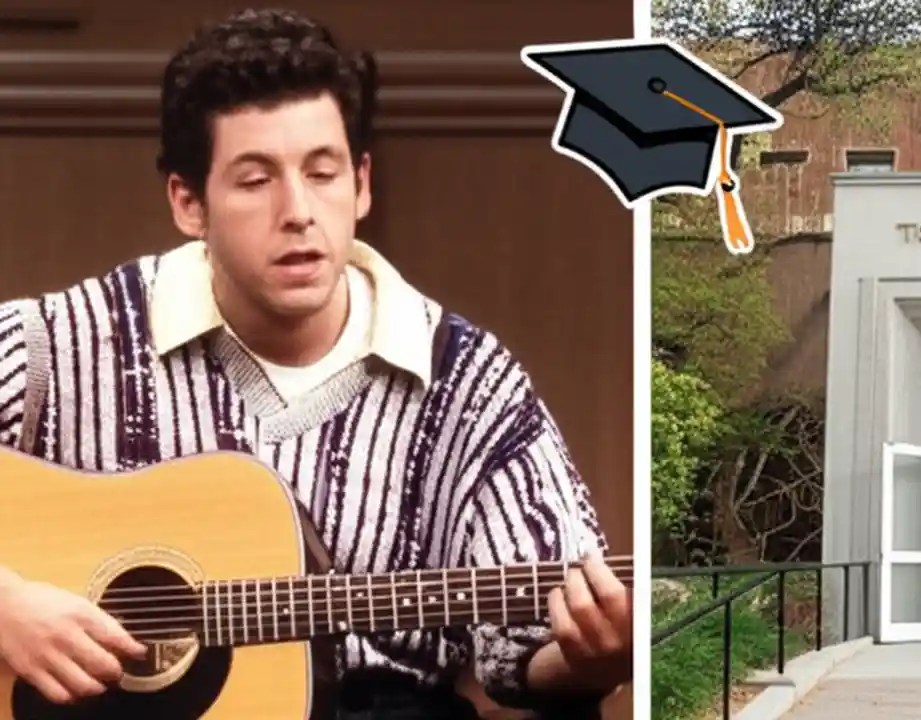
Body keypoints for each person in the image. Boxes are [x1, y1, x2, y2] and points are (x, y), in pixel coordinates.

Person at [0, 8, 631, 719]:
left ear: (361, 185)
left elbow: (534, 646)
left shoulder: (468, 383)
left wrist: (588, 660)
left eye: (322, 173)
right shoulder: (65, 341)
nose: (298, 210)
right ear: (188, 202)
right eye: (254, 180)